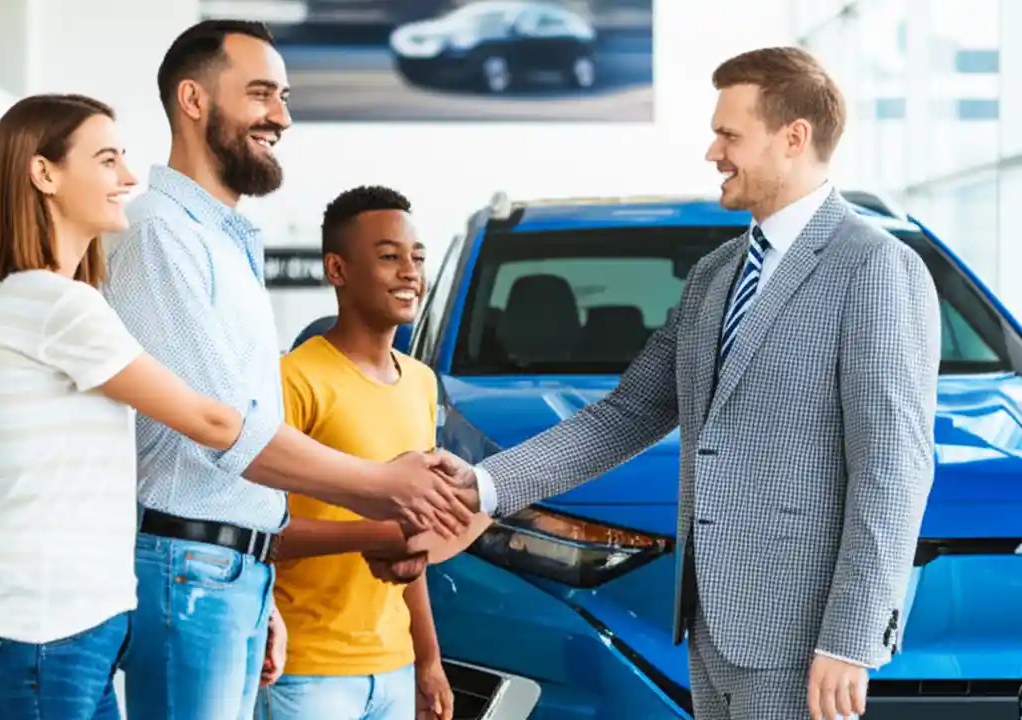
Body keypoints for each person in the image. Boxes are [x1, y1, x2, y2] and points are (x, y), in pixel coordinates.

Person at [427, 47, 940, 720]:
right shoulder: (716, 275)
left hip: (804, 639)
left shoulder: (873, 267)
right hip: (710, 628)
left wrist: (851, 638)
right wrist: (486, 485)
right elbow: (626, 413)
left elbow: (893, 466)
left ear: (794, 138)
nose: (712, 152)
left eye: (729, 135)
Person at [101, 21, 472, 720]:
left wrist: (264, 585)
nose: (282, 116)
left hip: (232, 570)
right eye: (262, 94)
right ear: (193, 100)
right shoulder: (158, 232)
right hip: (192, 567)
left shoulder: (223, 240)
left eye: (285, 96)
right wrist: (379, 491)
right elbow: (225, 429)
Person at [0, 93, 255, 719]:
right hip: (41, 649)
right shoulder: (62, 306)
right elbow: (212, 421)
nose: (129, 178)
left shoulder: (8, 302)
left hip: (46, 645)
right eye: (108, 160)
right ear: (44, 173)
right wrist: (374, 479)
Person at [257, 187, 486, 720]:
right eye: (389, 257)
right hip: (306, 670)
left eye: (418, 257)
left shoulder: (422, 384)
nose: (410, 272)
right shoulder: (293, 379)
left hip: (394, 665)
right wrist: (386, 532)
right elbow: (258, 532)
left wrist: (428, 659)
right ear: (337, 269)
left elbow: (414, 553)